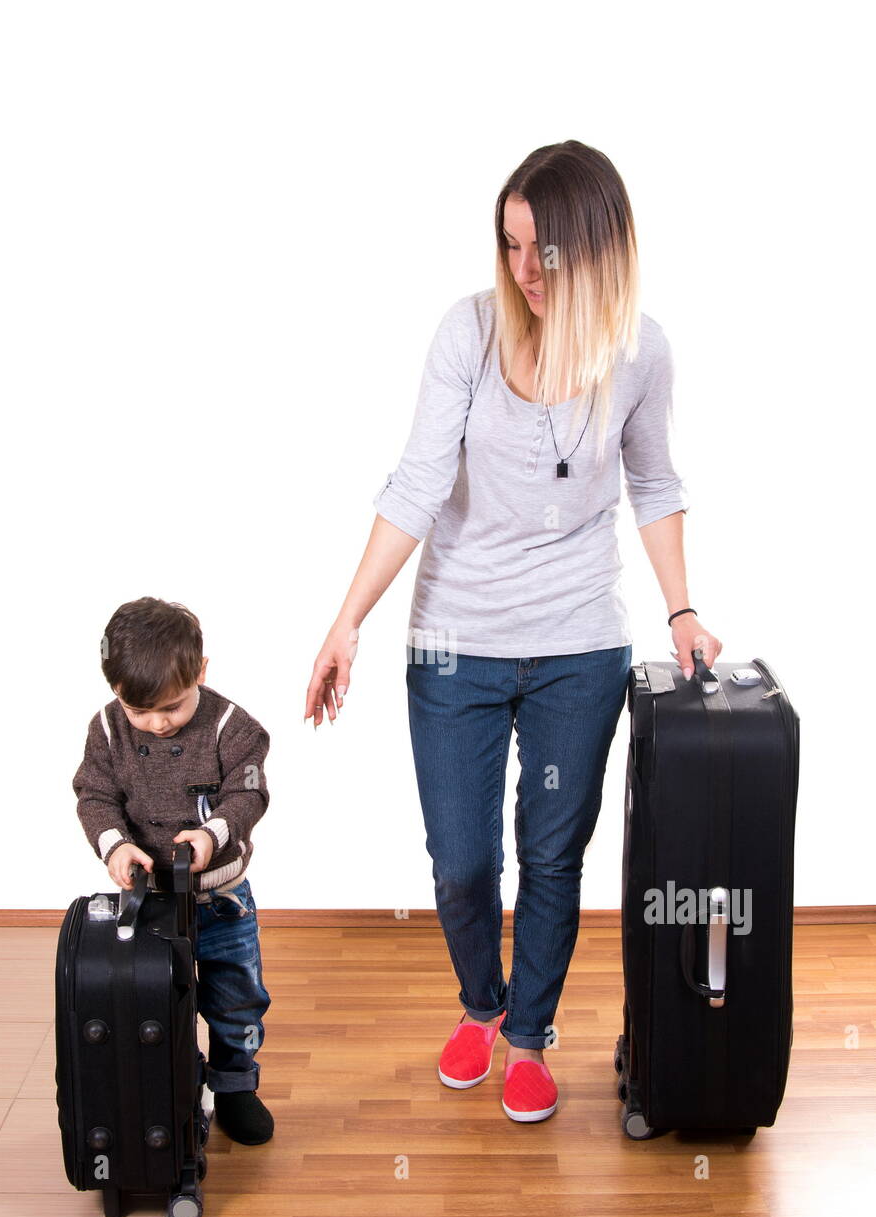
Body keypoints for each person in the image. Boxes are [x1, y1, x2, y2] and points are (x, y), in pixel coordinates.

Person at [304, 140, 722, 1124]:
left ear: (599, 249)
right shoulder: (470, 333)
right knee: (459, 861)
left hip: (580, 644)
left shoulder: (639, 351)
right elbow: (414, 481)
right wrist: (346, 621)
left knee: (550, 854)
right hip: (456, 642)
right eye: (512, 247)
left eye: (546, 251)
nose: (525, 271)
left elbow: (653, 484)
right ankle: (480, 1006)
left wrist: (681, 607)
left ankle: (529, 1037)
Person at [73, 596, 274, 1145]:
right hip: (151, 902)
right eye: (141, 712)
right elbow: (94, 795)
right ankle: (176, 1089)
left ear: (200, 673)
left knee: (236, 1000)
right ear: (116, 691)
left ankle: (235, 1087)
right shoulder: (109, 729)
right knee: (157, 1004)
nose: (157, 724)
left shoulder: (234, 727)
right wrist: (114, 847)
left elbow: (248, 793)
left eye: (173, 708)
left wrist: (214, 835)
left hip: (221, 898)